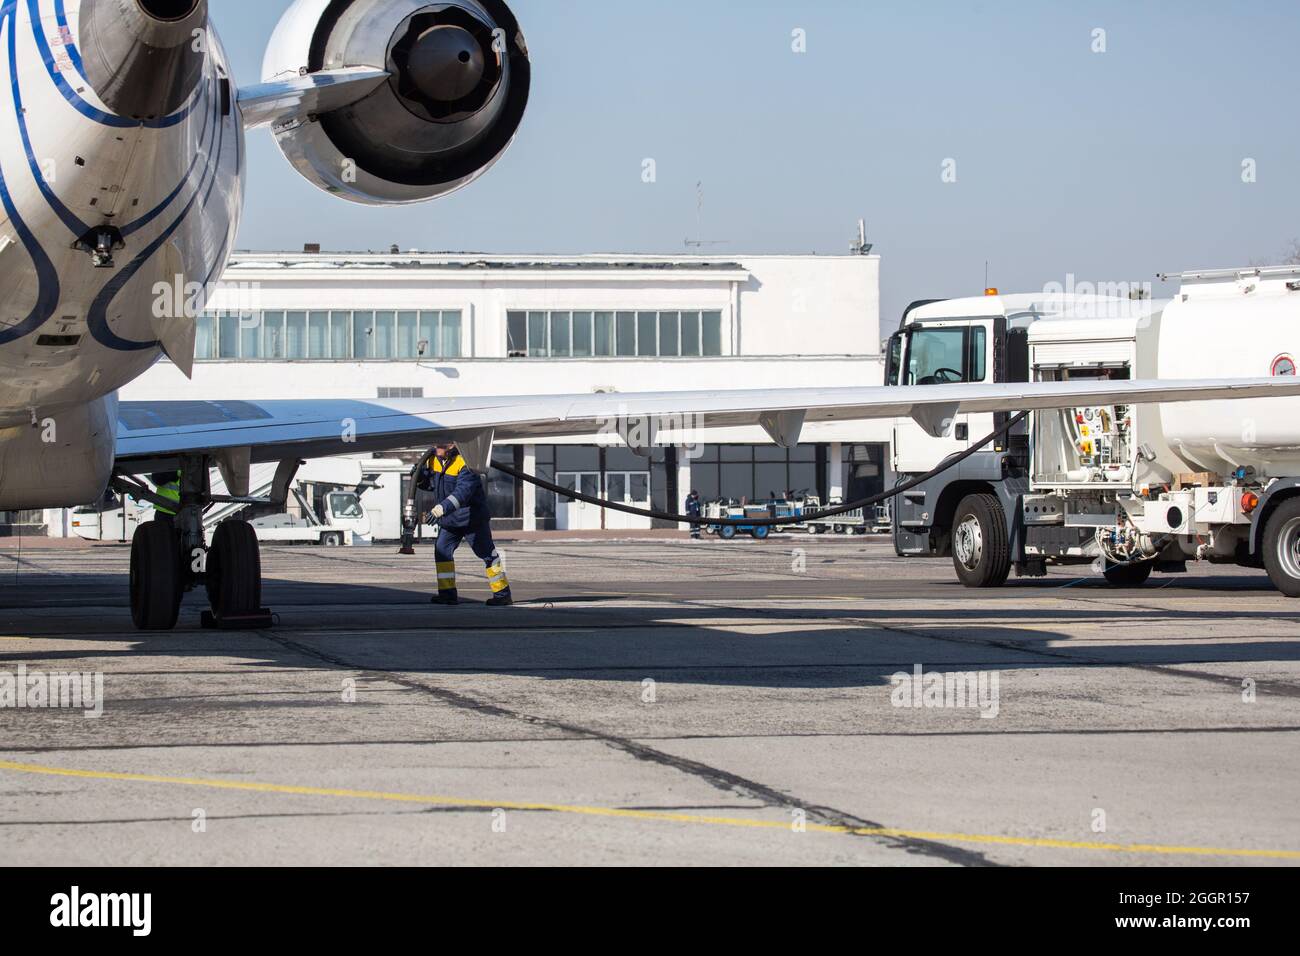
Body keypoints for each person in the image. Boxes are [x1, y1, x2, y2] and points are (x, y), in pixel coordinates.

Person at [417, 442, 512, 606]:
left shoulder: (466, 462)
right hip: (450, 521)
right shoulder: (432, 460)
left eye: (440, 444)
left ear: (452, 445)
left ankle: (502, 594)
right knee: (442, 551)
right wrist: (419, 476)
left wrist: (440, 509)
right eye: (435, 443)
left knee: (487, 554)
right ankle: (447, 595)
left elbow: (462, 493)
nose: (436, 447)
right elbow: (430, 485)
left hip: (472, 519)